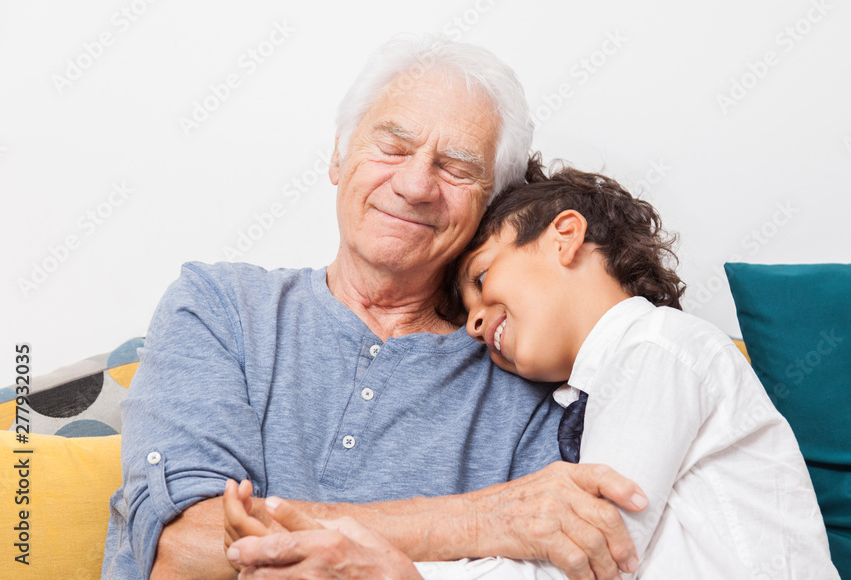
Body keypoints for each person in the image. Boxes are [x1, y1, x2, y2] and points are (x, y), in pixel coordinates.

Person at [102, 37, 647, 580]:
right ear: (339, 155)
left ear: (490, 206)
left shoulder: (532, 376)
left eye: (456, 168)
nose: (414, 185)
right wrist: (479, 520)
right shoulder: (219, 307)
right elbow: (186, 552)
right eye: (392, 147)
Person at [228, 157, 841, 578]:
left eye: (482, 277)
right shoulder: (589, 401)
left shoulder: (659, 347)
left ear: (564, 236)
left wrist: (384, 564)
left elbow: (595, 556)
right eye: (465, 308)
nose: (474, 321)